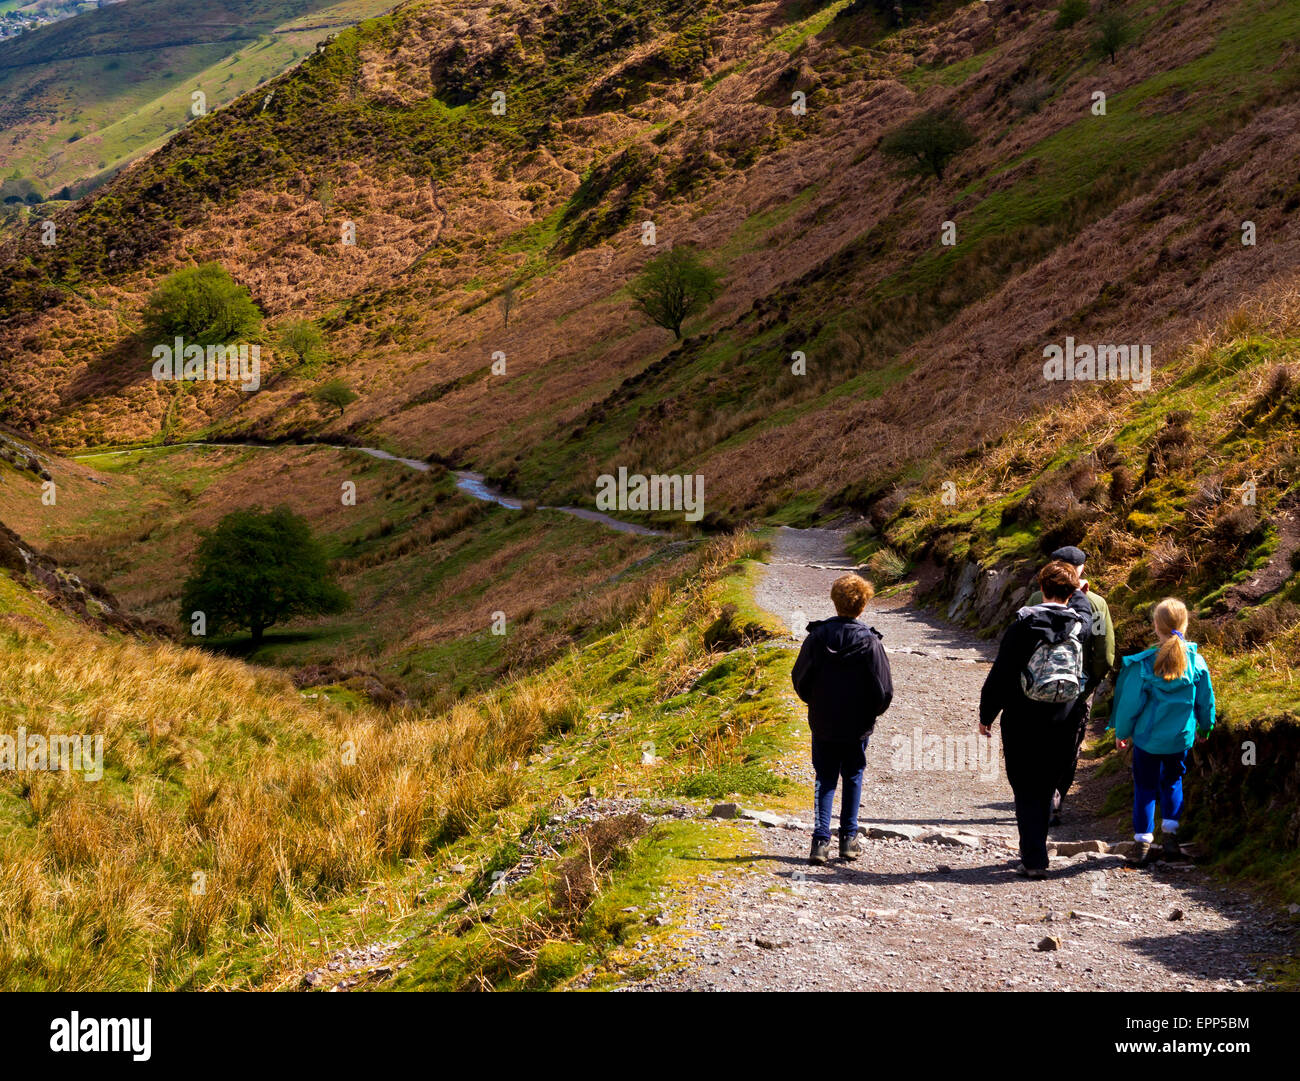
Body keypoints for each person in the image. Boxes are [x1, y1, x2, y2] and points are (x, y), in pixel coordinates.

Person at [978, 560, 1087, 879]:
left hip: (1023, 716)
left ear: (1041, 588)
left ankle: (1034, 858)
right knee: (1049, 782)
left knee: (1025, 785)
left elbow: (1002, 673)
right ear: (1073, 591)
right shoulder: (1082, 627)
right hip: (1065, 715)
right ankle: (1036, 850)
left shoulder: (1023, 626)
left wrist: (987, 714)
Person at [791, 573, 893, 866]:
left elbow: (800, 678)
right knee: (853, 775)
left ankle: (819, 842)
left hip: (823, 720)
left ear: (834, 601)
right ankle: (849, 838)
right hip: (857, 723)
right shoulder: (871, 642)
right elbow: (883, 688)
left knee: (824, 778)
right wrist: (871, 713)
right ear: (863, 605)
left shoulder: (816, 637)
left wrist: (814, 702)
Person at [1109, 597, 1215, 865]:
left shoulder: (1144, 664)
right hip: (1180, 738)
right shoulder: (1196, 661)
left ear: (1156, 625)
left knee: (1144, 786)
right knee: (1172, 781)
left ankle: (1143, 844)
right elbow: (1206, 700)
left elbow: (1130, 705)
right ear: (1185, 623)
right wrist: (1206, 726)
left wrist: (1122, 732)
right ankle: (1170, 839)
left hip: (1147, 739)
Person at [1026, 545, 1116, 822]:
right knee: (1069, 743)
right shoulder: (1097, 604)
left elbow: (1020, 644)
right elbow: (1104, 654)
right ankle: (1055, 797)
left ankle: (1037, 797)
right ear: (1082, 570)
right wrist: (1089, 685)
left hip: (1037, 688)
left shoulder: (1034, 598)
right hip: (1077, 687)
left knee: (1038, 741)